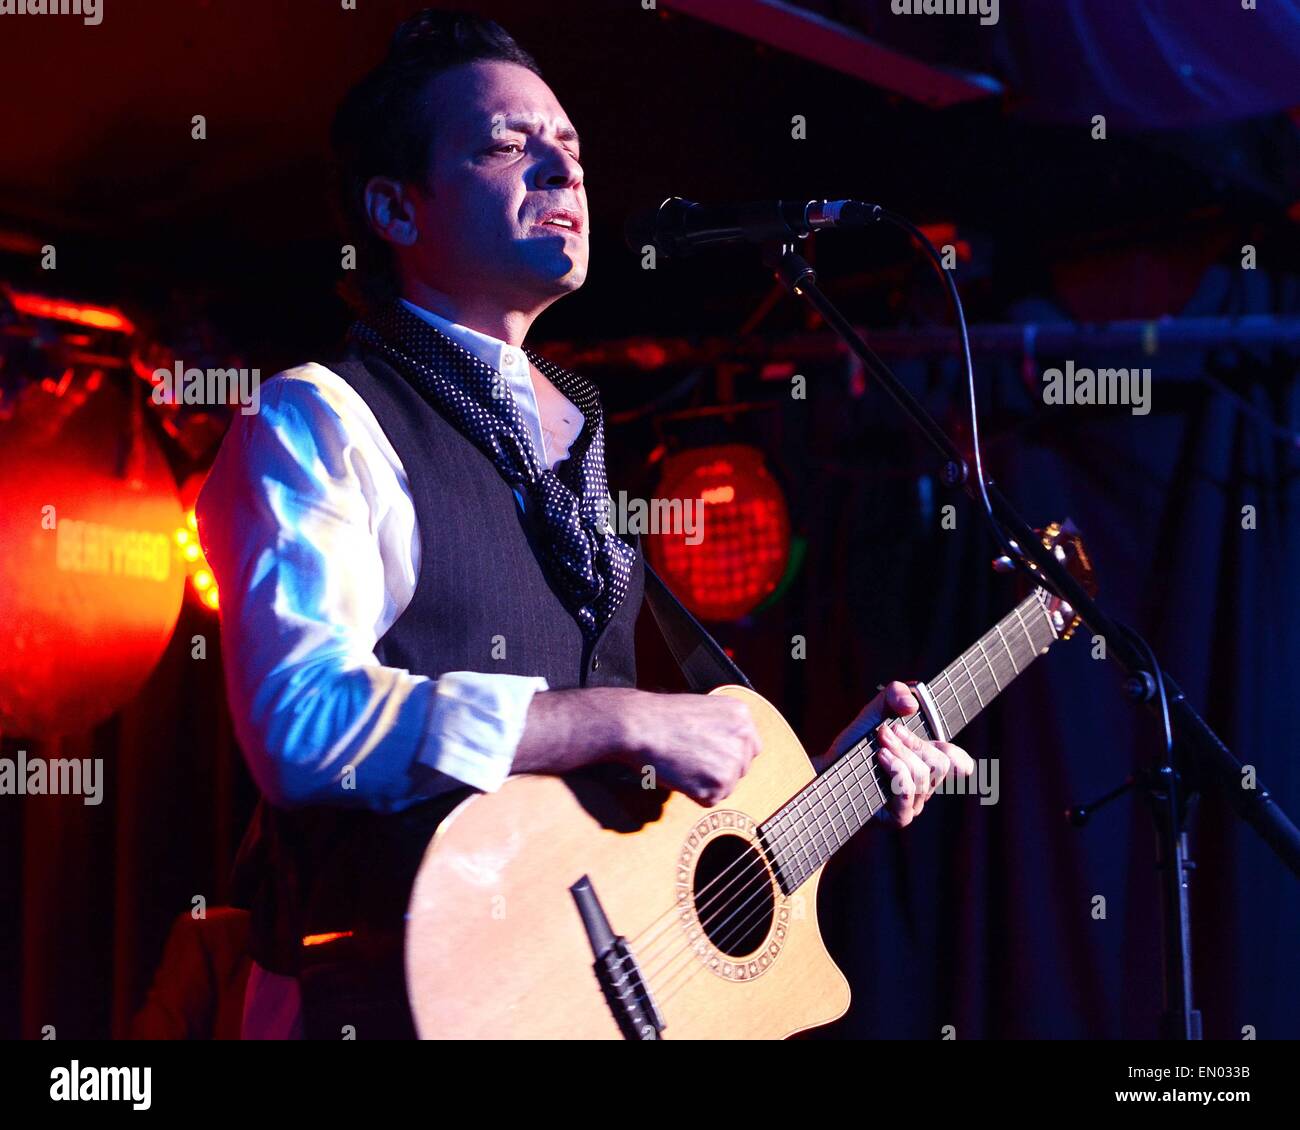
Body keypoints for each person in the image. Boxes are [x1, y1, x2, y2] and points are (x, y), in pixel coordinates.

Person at [196, 8, 972, 1040]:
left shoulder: (574, 433)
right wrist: (621, 717)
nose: (561, 174)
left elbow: (608, 835)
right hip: (383, 998)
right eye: (507, 146)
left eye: (569, 148)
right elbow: (304, 729)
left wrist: (832, 781)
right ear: (394, 205)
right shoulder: (320, 417)